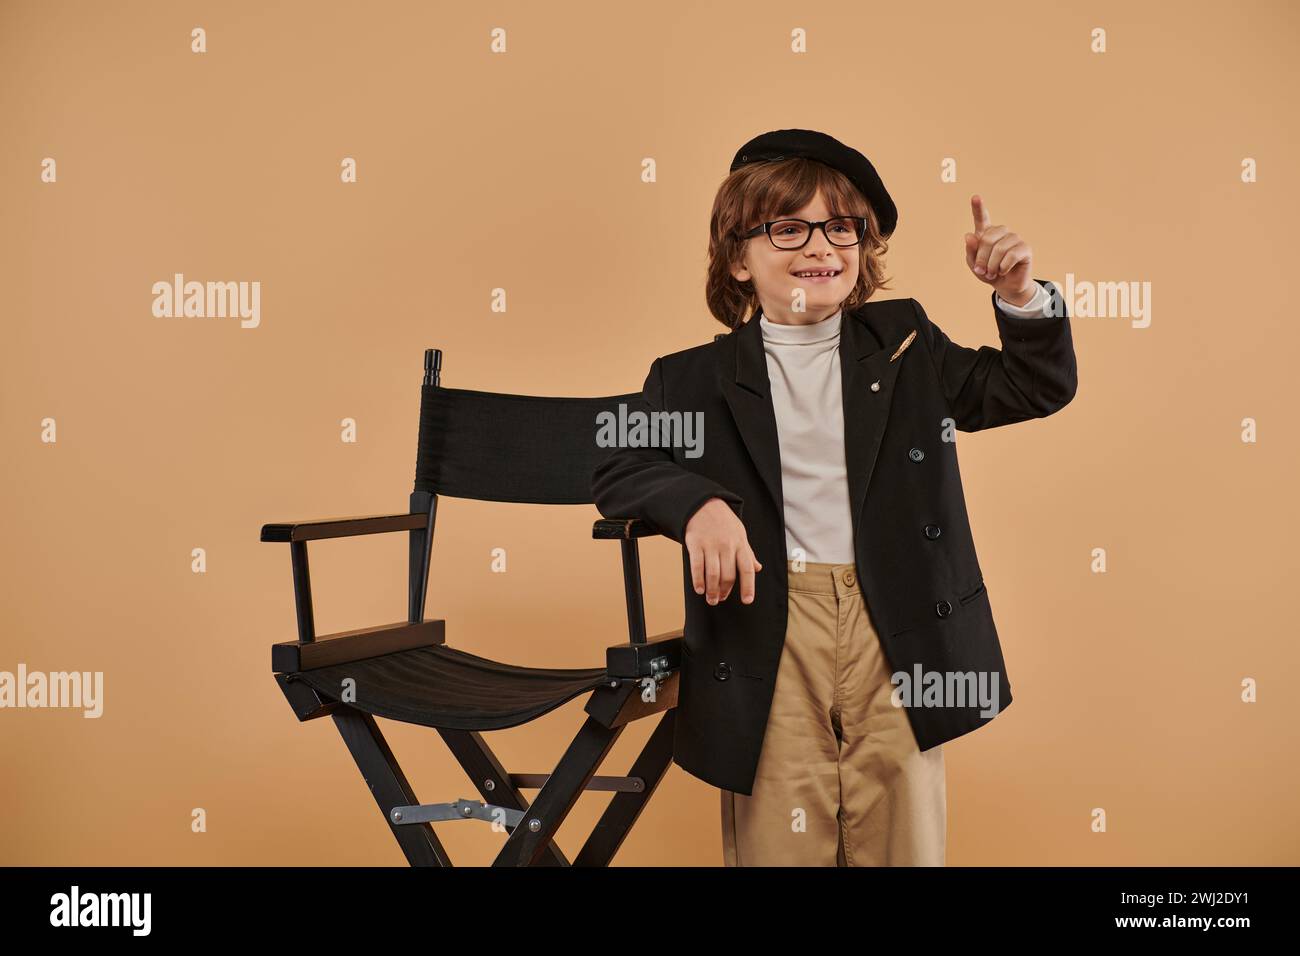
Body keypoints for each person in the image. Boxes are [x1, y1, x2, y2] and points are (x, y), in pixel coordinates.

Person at [592, 128, 1077, 865]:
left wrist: (1017, 295)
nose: (821, 247)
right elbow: (617, 462)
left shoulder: (904, 342)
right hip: (766, 628)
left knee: (903, 840)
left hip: (900, 622)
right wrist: (699, 503)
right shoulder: (691, 377)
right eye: (788, 227)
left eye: (840, 227)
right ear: (737, 257)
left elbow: (1034, 386)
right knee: (780, 843)